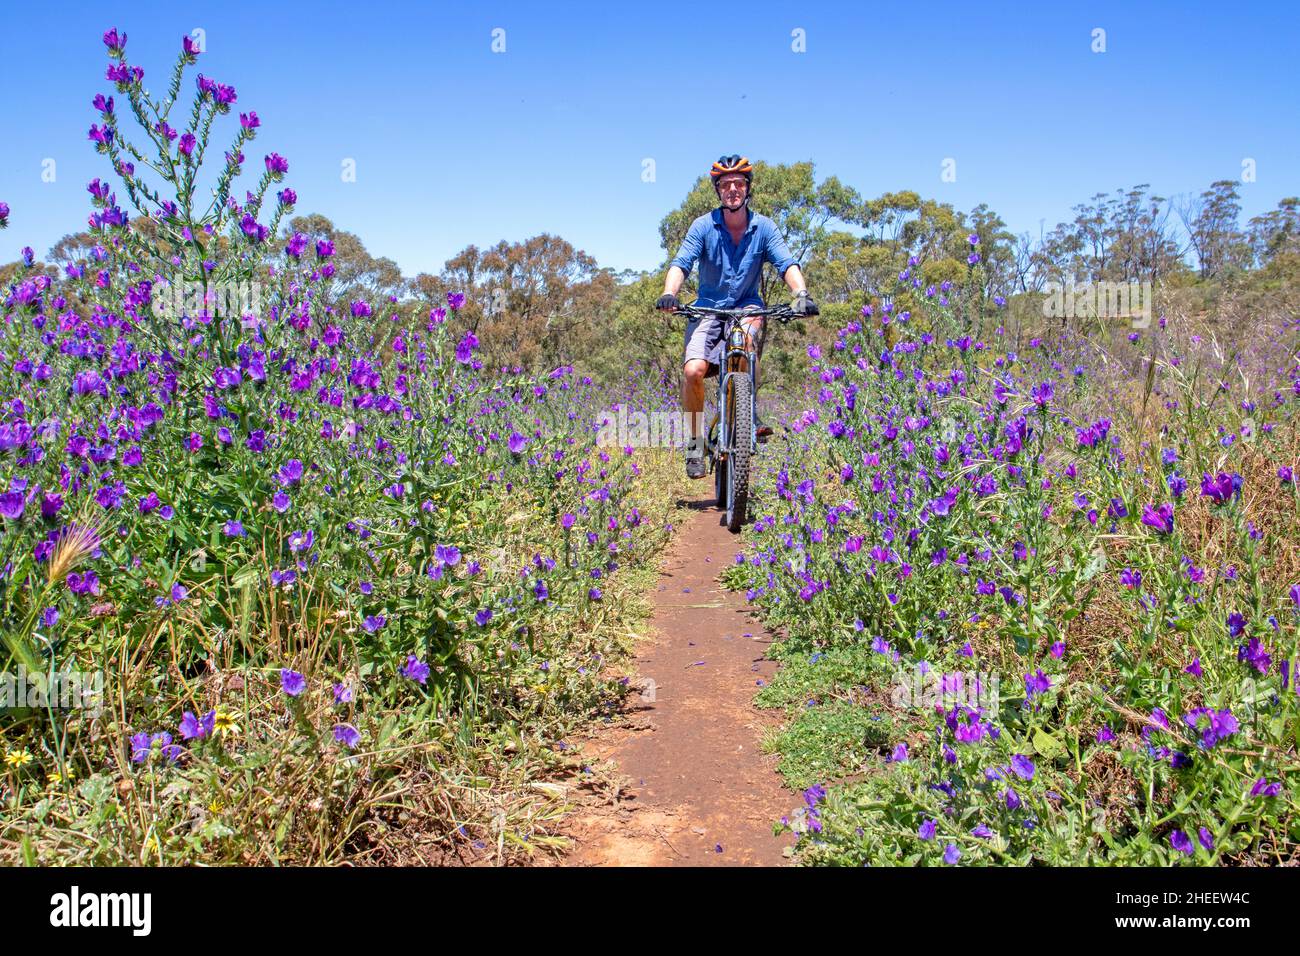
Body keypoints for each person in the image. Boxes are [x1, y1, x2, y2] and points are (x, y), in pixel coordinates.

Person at [656, 155, 818, 479]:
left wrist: (800, 294)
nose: (732, 189)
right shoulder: (703, 226)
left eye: (738, 183)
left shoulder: (764, 228)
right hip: (707, 307)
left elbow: (786, 264)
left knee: (744, 343)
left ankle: (747, 416)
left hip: (746, 305)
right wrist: (670, 293)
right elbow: (681, 262)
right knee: (693, 371)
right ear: (718, 190)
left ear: (747, 188)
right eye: (726, 184)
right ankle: (694, 442)